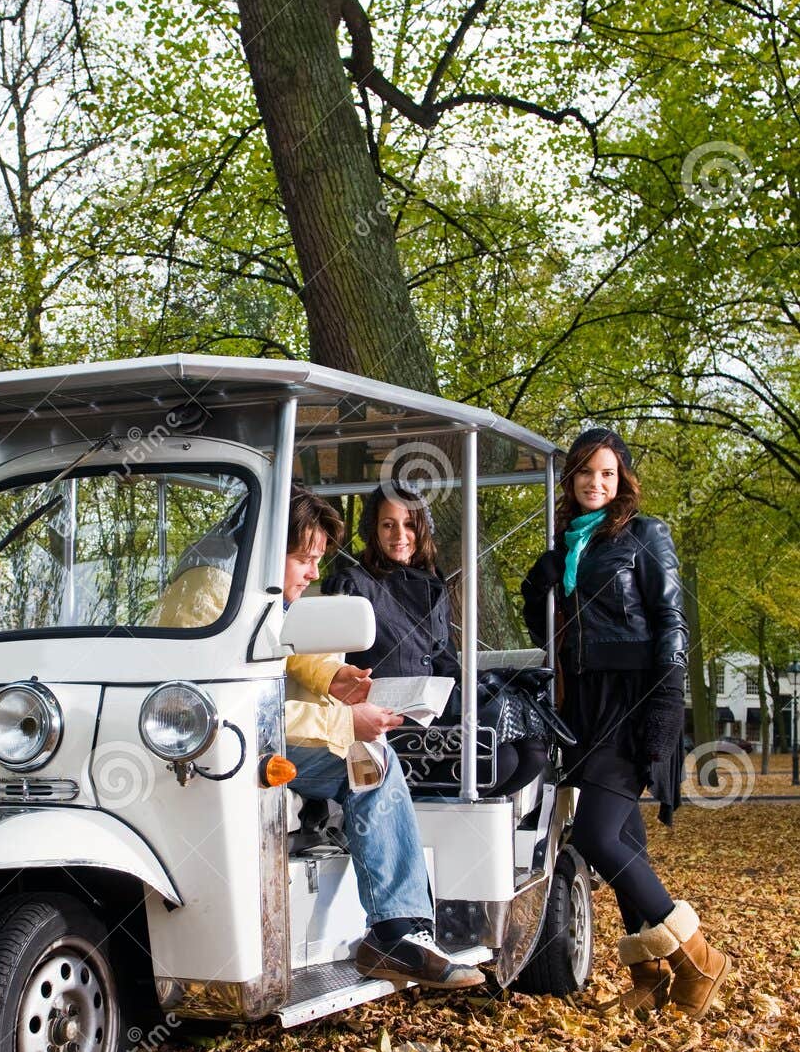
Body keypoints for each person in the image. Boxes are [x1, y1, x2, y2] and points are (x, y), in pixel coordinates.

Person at [521, 428, 731, 1020]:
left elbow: (671, 621)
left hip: (634, 696)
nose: (596, 483)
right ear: (571, 479)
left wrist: (666, 706)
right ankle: (650, 971)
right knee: (625, 839)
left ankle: (698, 958)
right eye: (586, 472)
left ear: (623, 480)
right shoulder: (566, 547)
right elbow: (546, 620)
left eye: (607, 474)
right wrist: (544, 597)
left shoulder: (646, 535)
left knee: (594, 833)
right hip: (582, 702)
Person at [284, 488, 484, 990]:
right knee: (370, 762)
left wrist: (334, 677)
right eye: (304, 559)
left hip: (384, 709)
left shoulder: (433, 585)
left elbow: (295, 650)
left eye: (410, 525)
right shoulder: (346, 584)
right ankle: (398, 931)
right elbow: (250, 705)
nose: (312, 574)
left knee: (378, 757)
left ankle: (402, 932)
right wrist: (348, 718)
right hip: (252, 742)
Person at [322, 483, 548, 800]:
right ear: (373, 530)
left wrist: (487, 684)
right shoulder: (354, 583)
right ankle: (431, 814)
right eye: (388, 525)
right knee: (503, 760)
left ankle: (452, 814)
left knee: (533, 752)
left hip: (436, 715)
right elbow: (331, 667)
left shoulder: (431, 583)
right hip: (393, 724)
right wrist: (338, 594)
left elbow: (445, 663)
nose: (399, 535)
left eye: (409, 524)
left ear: (422, 529)